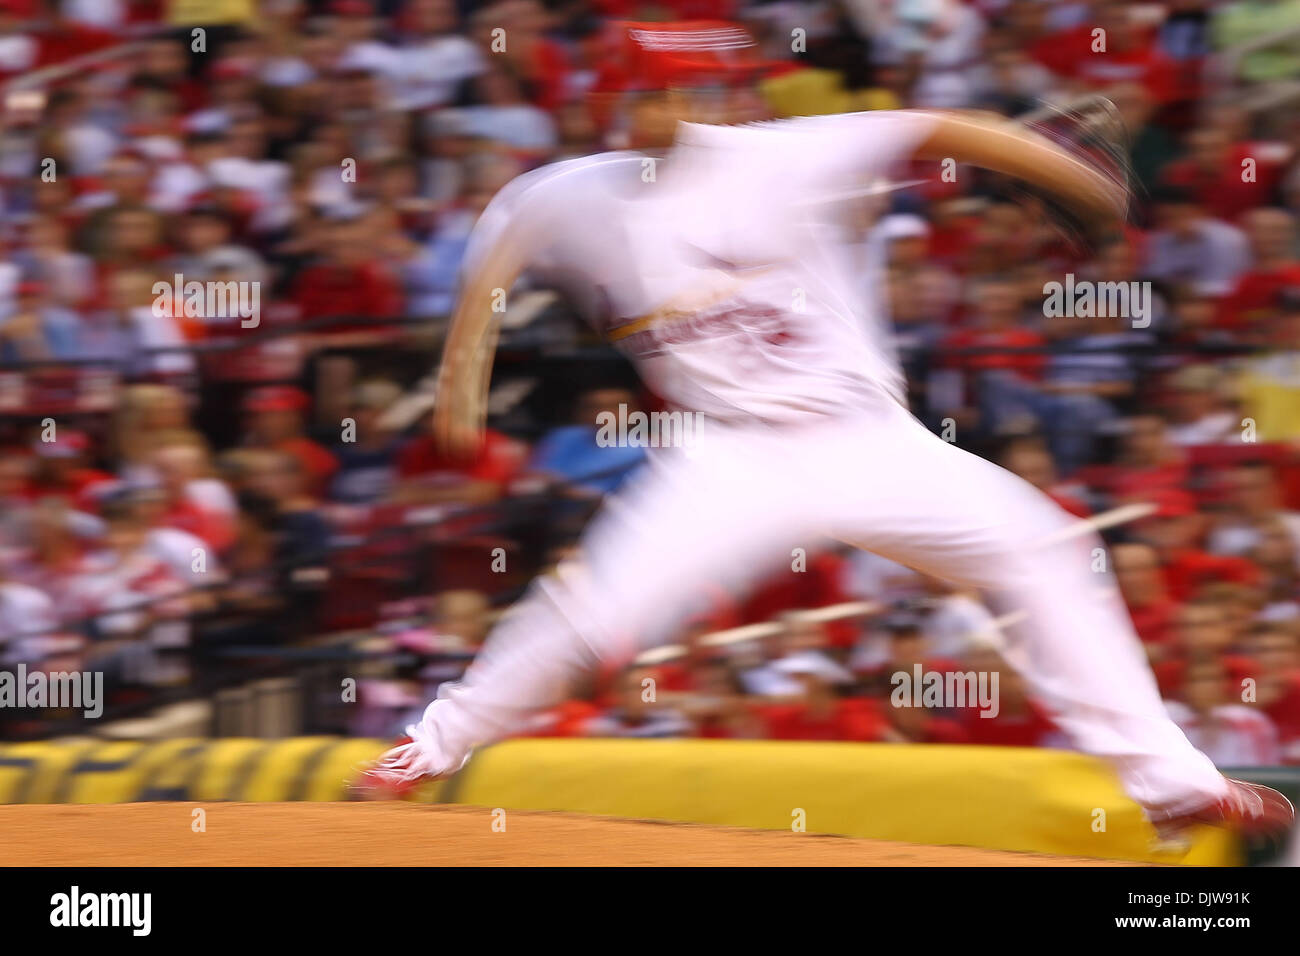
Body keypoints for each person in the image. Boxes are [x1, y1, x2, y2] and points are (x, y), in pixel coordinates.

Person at [359, 24, 1293, 839]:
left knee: (1046, 552)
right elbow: (497, 248)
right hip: (733, 455)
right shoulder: (569, 196)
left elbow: (938, 129)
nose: (662, 102)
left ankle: (1174, 787)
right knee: (598, 607)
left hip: (867, 440)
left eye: (674, 88)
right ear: (610, 98)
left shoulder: (779, 155)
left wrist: (1063, 172)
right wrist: (461, 371)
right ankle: (428, 749)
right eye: (642, 89)